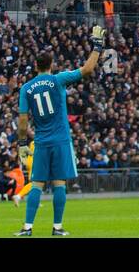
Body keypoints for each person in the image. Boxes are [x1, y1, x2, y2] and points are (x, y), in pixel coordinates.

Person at [13, 24, 104, 236]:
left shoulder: (26, 88)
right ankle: (57, 227)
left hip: (42, 141)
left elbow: (23, 119)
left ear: (35, 66)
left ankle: (27, 228)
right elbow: (87, 69)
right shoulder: (58, 79)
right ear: (51, 65)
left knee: (36, 184)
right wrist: (97, 46)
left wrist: (22, 143)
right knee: (59, 183)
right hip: (61, 139)